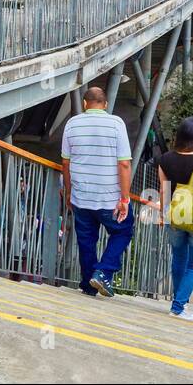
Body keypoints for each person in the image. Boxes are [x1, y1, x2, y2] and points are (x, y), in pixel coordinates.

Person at [60, 86, 134, 298]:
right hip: (109, 198)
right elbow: (124, 165)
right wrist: (125, 198)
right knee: (123, 230)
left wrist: (68, 191)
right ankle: (103, 272)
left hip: (81, 196)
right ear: (106, 104)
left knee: (86, 240)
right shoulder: (116, 123)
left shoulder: (72, 123)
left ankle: (88, 285)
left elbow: (65, 162)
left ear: (85, 103)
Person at [156, 117, 193, 321]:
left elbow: (164, 191)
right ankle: (178, 306)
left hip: (175, 218)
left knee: (178, 258)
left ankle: (179, 303)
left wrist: (163, 215)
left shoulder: (165, 159)